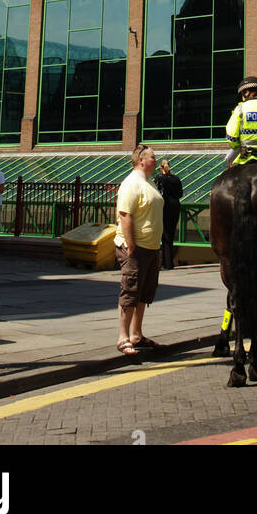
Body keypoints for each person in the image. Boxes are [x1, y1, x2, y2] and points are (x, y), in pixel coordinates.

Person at [114, 143, 163, 356]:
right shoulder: (132, 183)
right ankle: (123, 338)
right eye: (153, 157)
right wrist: (131, 246)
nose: (156, 160)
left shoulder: (148, 182)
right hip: (136, 248)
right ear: (141, 160)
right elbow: (125, 215)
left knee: (143, 294)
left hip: (151, 247)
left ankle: (136, 334)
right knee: (130, 292)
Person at [155, 159, 183, 270]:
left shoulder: (160, 178)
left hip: (165, 206)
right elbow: (180, 194)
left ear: (161, 168)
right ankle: (169, 262)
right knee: (171, 234)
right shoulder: (176, 178)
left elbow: (156, 192)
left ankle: (165, 263)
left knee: (164, 235)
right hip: (175, 206)